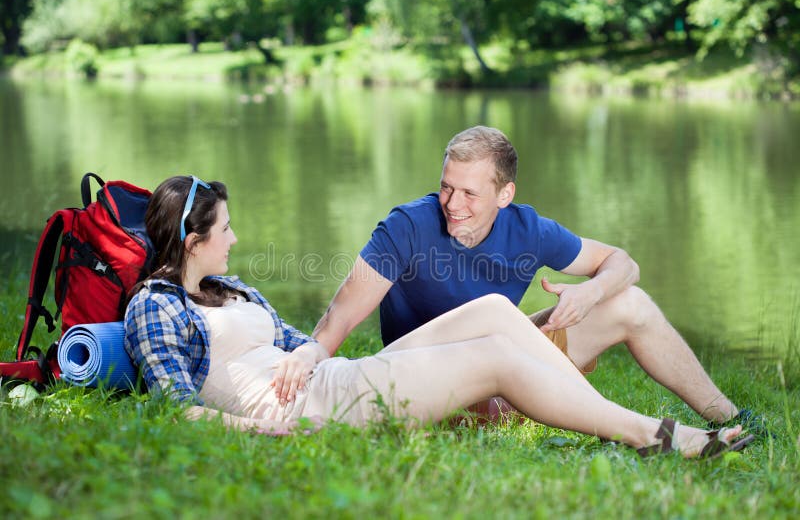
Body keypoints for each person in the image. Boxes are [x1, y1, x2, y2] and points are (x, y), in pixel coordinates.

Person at [123, 175, 753, 460]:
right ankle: (655, 435)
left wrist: (309, 350)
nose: (234, 239)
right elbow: (176, 407)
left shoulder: (231, 288)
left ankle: (608, 415)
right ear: (194, 240)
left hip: (340, 379)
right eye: (225, 229)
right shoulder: (155, 306)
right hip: (316, 408)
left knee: (494, 311)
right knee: (496, 356)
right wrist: (267, 430)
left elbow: (299, 344)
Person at [282, 125, 754, 431]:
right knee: (497, 314)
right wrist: (311, 352)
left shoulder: (528, 229)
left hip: (510, 377)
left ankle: (734, 419)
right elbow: (339, 318)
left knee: (632, 302)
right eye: (446, 187)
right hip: (432, 393)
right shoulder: (407, 226)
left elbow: (622, 262)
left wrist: (591, 291)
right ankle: (628, 426)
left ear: (504, 194)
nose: (452, 204)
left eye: (469, 193)